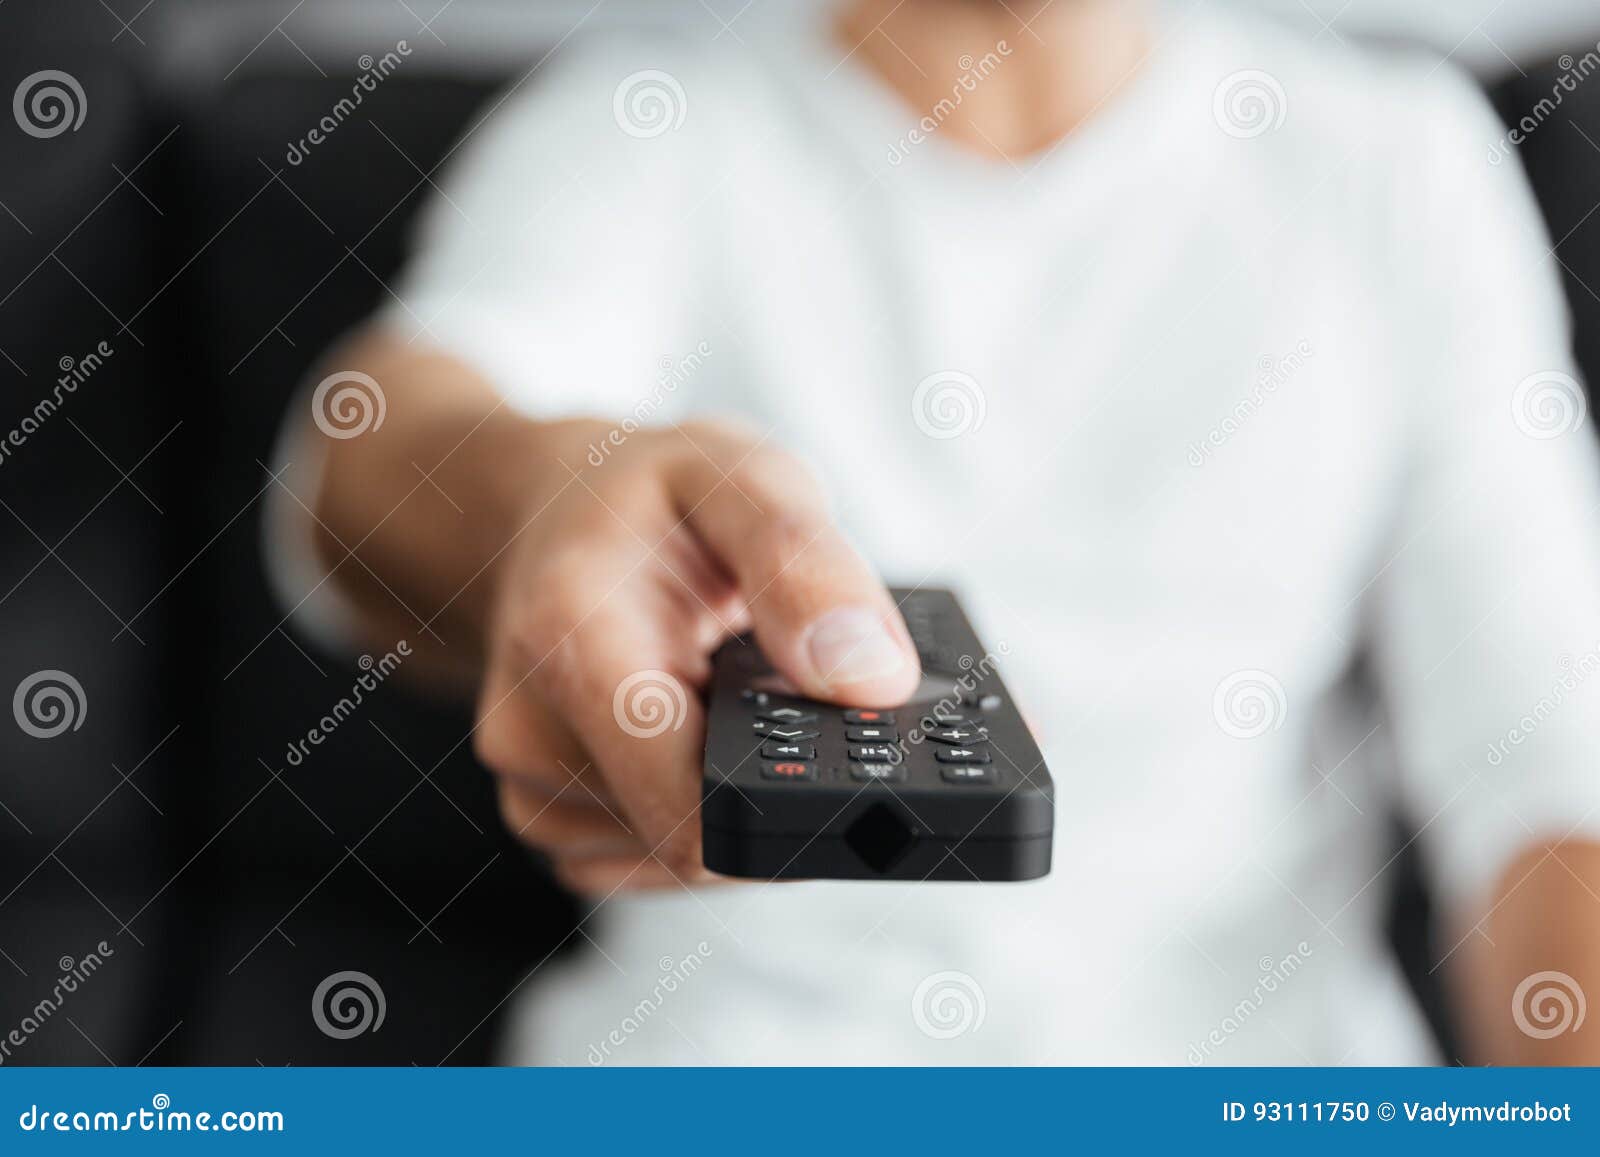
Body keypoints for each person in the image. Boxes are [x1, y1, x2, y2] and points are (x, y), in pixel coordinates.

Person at [272, 0, 1600, 1063]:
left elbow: (1548, 769)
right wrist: (545, 501)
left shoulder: (1396, 159)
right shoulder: (646, 120)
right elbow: (370, 456)